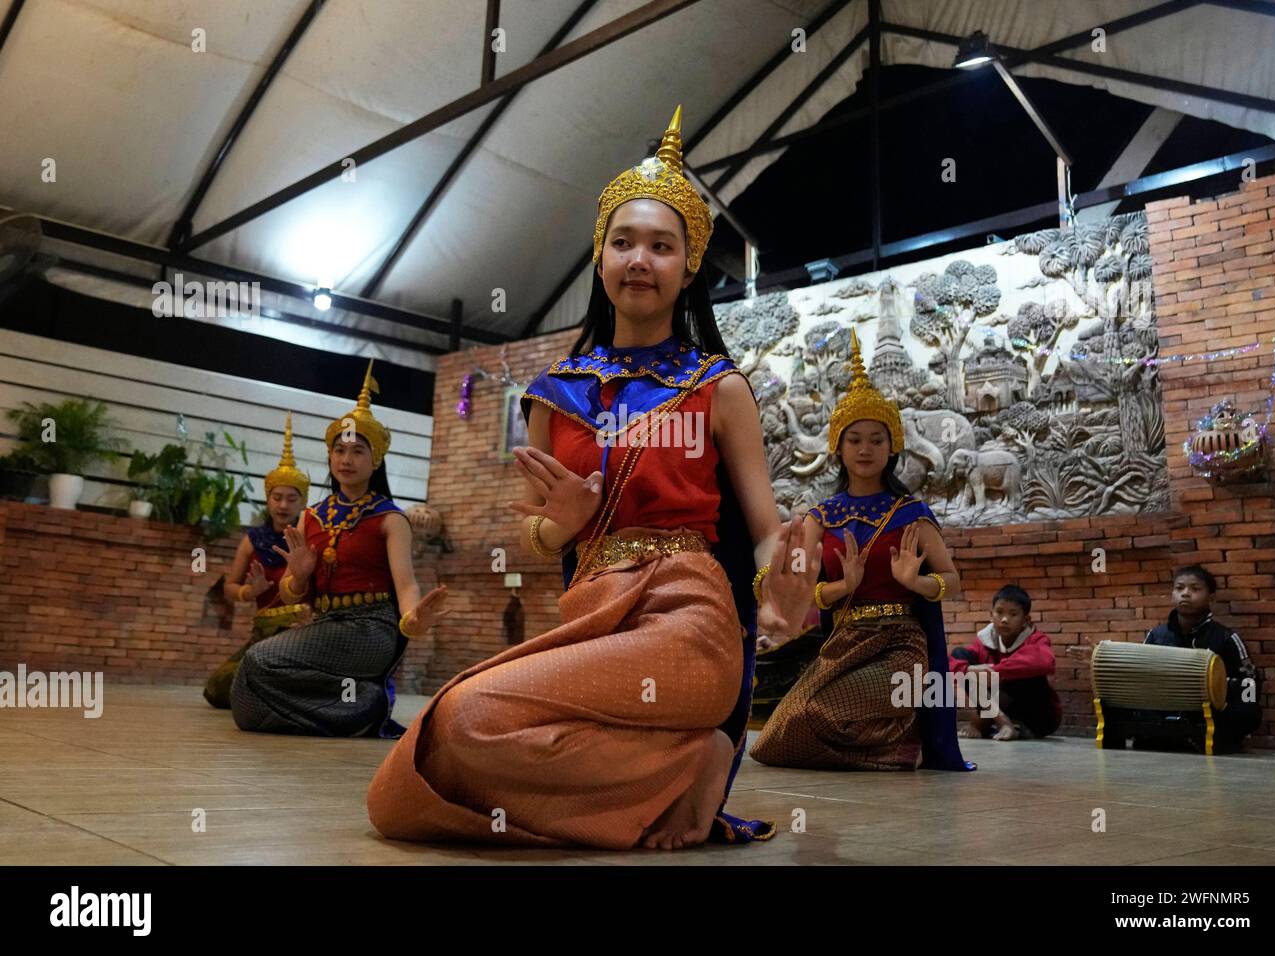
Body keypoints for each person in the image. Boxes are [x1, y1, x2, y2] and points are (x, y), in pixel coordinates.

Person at [366, 106, 822, 850]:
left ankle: (685, 758)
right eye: (624, 242)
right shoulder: (552, 395)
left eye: (662, 246)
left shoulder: (718, 386)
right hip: (591, 613)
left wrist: (792, 585)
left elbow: (767, 532)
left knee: (462, 722)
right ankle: (684, 765)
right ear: (598, 257)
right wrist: (563, 525)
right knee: (450, 741)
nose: (640, 259)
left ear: (689, 268)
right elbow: (536, 535)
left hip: (688, 615)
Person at [749, 331, 973, 772]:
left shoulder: (910, 513)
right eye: (854, 439)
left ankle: (899, 741)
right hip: (843, 643)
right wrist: (840, 588)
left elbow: (952, 579)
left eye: (876, 439)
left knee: (815, 715)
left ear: (892, 448)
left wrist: (916, 582)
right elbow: (804, 592)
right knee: (773, 741)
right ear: (837, 447)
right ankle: (885, 745)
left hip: (900, 646)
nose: (865, 449)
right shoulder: (820, 518)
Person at [230, 363, 447, 736]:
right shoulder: (310, 518)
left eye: (357, 451)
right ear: (330, 457)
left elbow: (406, 584)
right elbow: (291, 593)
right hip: (325, 624)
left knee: (257, 662)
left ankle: (361, 705)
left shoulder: (390, 518)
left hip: (370, 628)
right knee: (244, 700)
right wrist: (297, 577)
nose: (346, 459)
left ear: (375, 460)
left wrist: (411, 620)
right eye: (339, 450)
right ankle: (360, 707)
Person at [203, 414, 310, 708]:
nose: (283, 505)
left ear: (302, 503)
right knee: (217, 688)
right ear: (268, 499)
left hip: (299, 632)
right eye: (277, 497)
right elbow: (230, 588)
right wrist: (249, 592)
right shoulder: (253, 540)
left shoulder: (309, 539)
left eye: (291, 498)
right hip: (262, 633)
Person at [1142, 564, 1262, 752]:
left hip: (1210, 711)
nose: (1186, 594)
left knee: (1249, 710)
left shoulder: (1226, 638)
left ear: (1211, 597)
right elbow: (1139, 674)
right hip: (1167, 706)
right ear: (1172, 594)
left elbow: (1251, 683)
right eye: (1179, 588)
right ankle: (1179, 736)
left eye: (1195, 589)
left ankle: (1185, 738)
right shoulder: (1156, 635)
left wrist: (1223, 687)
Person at [950, 584, 1062, 740]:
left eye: (1013, 614)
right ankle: (1003, 723)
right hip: (1000, 711)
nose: (1004, 619)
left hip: (1037, 718)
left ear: (1026, 620)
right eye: (999, 612)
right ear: (991, 615)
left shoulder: (1035, 639)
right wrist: (970, 671)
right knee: (961, 658)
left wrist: (994, 672)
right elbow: (948, 666)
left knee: (1026, 672)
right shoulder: (984, 641)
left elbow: (1045, 662)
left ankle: (981, 724)